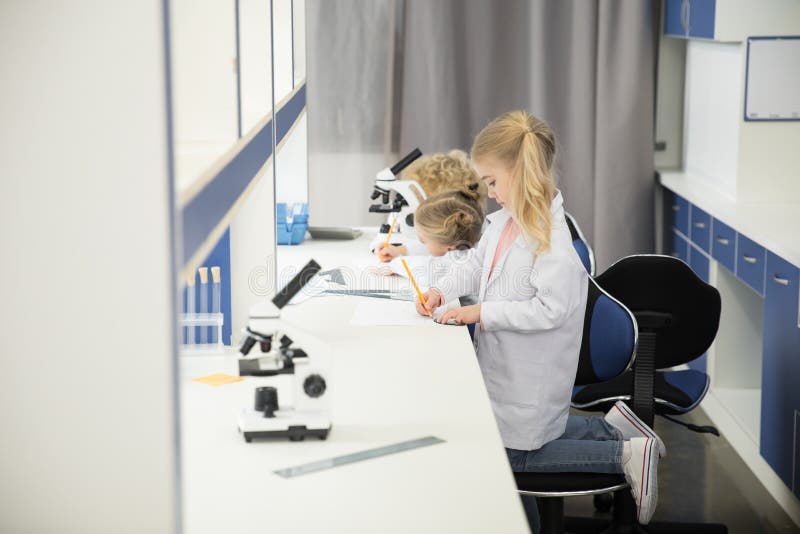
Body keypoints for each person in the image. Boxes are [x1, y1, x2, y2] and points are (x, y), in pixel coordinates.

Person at [414, 110, 665, 528]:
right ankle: (612, 429)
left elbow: (551, 310)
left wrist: (481, 312)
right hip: (508, 371)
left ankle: (624, 455)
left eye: (493, 182)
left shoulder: (552, 241)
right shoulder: (503, 224)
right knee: (514, 437)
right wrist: (442, 289)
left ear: (522, 172)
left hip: (532, 376)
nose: (490, 194)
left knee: (509, 454)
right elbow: (473, 265)